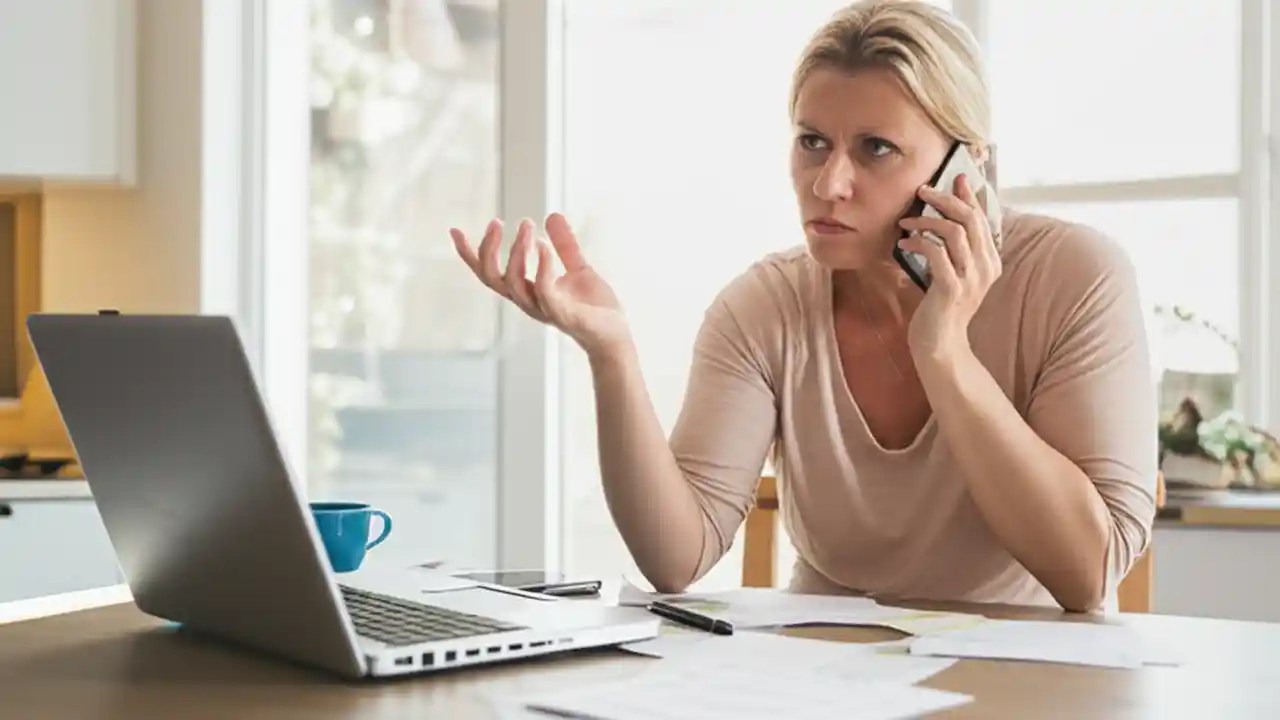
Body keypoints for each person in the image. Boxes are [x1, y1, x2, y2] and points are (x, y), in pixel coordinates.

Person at [449, 0, 1156, 612]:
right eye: (812, 142)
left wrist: (943, 351)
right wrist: (610, 351)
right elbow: (677, 557)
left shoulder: (1073, 278)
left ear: (966, 170)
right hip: (823, 675)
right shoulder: (764, 306)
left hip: (1029, 684)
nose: (829, 183)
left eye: (876, 149)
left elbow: (1086, 577)